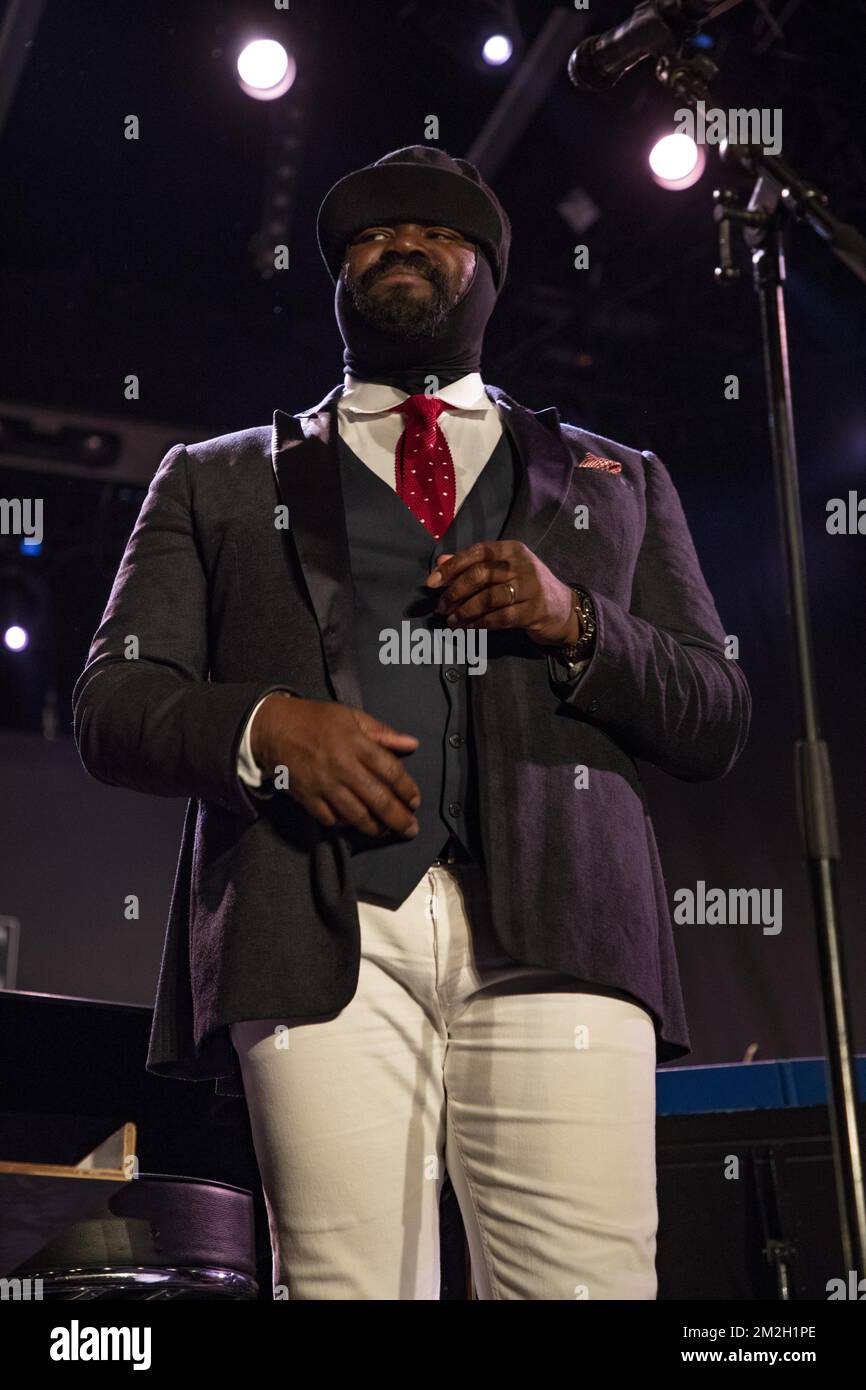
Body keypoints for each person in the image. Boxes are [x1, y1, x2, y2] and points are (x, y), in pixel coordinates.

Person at [73, 145, 751, 1300]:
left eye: (433, 232)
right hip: (315, 924)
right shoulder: (214, 476)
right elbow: (113, 703)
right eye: (365, 239)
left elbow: (714, 713)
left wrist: (574, 617)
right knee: (347, 1286)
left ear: (488, 273)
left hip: (566, 930)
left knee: (581, 1287)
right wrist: (266, 729)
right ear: (335, 280)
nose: (395, 246)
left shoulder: (617, 477)